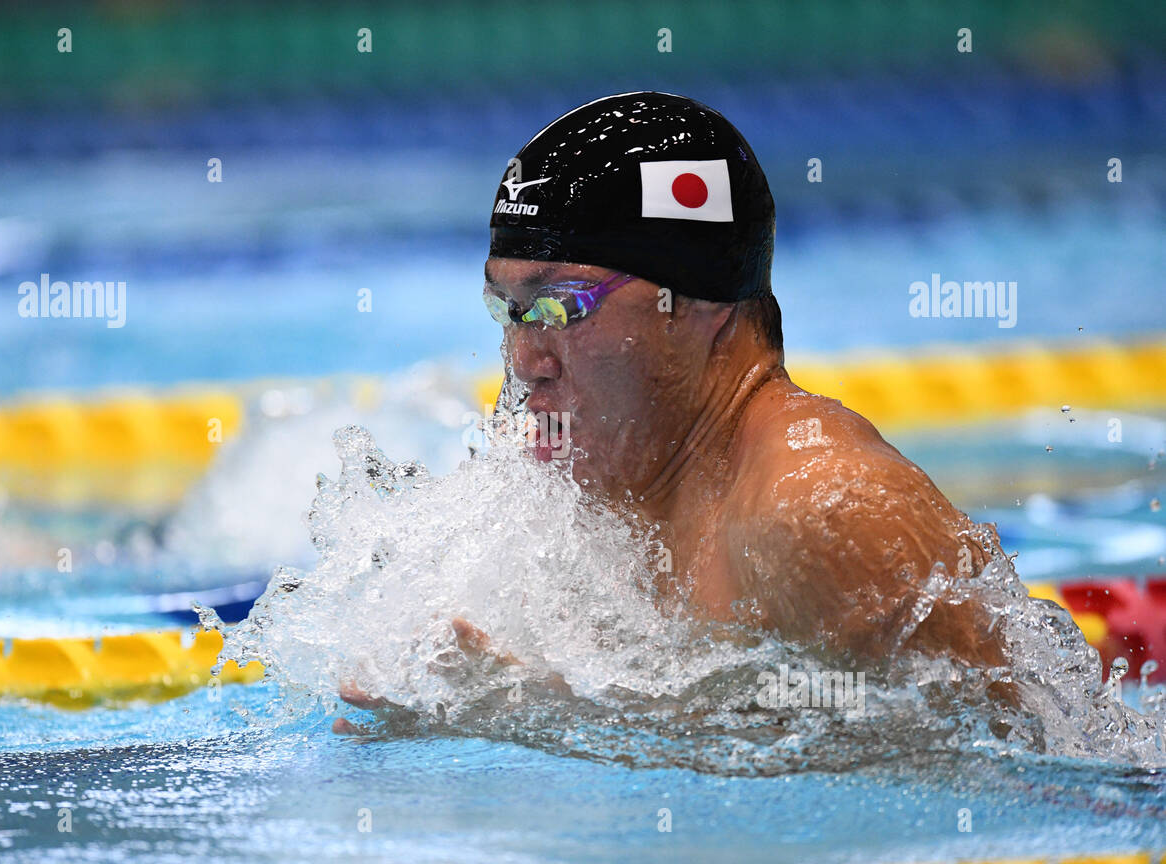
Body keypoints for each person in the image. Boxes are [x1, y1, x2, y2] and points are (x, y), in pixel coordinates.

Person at [343, 90, 1013, 725]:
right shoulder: (594, 465)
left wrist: (543, 714)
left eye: (562, 307)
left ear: (696, 303)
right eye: (509, 311)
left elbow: (1005, 771)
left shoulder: (824, 508)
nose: (523, 361)